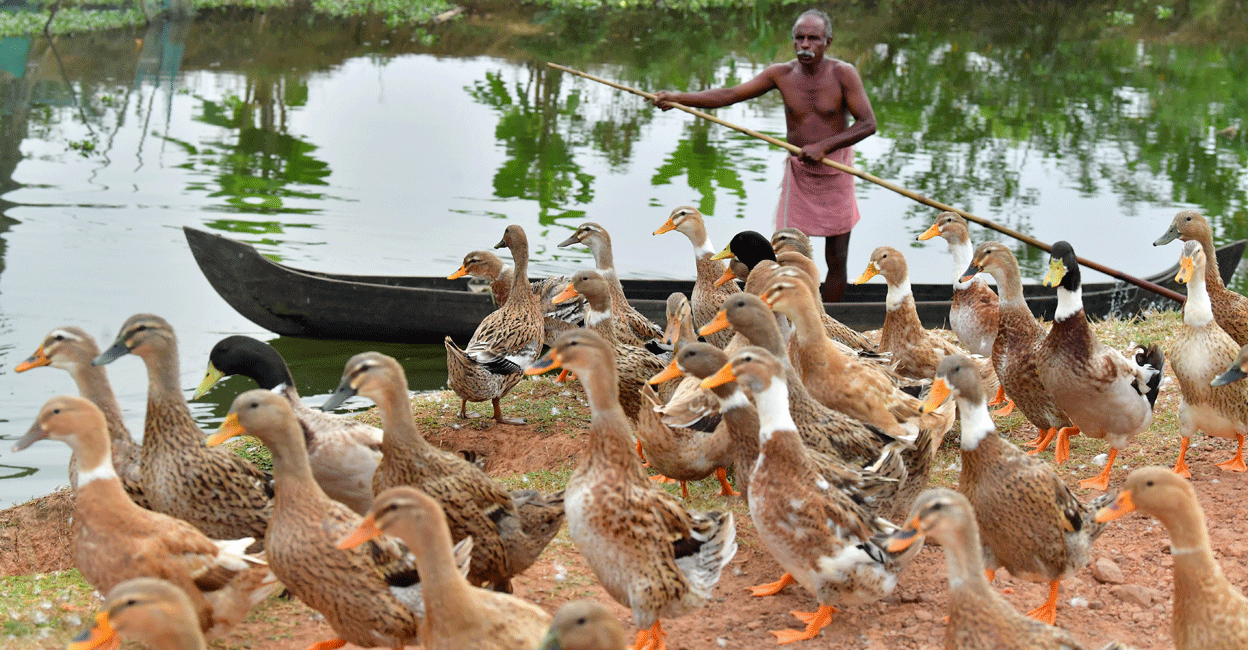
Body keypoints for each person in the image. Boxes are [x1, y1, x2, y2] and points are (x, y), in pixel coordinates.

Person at [652, 8, 876, 302]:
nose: (805, 45)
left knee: (836, 256)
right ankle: (790, 310)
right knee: (787, 250)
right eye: (799, 38)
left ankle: (828, 319)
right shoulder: (782, 74)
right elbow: (728, 95)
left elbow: (868, 123)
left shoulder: (843, 73)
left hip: (836, 170)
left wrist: (824, 147)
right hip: (799, 172)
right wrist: (679, 99)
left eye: (813, 39)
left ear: (827, 42)